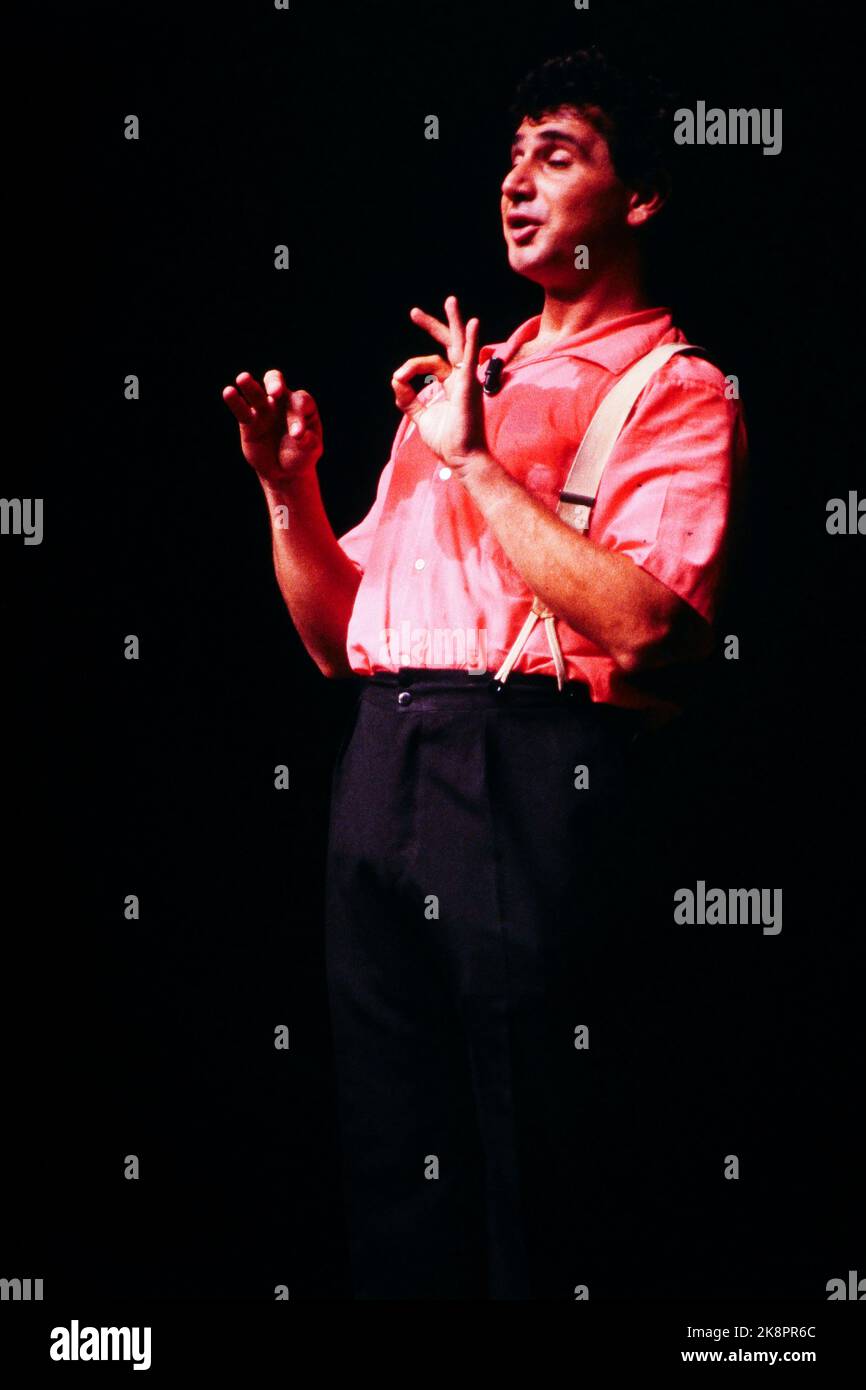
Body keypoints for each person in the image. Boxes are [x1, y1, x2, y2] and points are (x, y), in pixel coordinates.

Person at [222, 46, 748, 1300]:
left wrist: (473, 463)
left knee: (539, 1160)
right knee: (395, 1163)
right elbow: (336, 634)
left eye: (556, 156)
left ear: (639, 197)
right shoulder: (467, 382)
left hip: (523, 772)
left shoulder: (666, 385)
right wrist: (286, 491)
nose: (515, 184)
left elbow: (651, 627)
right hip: (382, 764)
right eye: (510, 159)